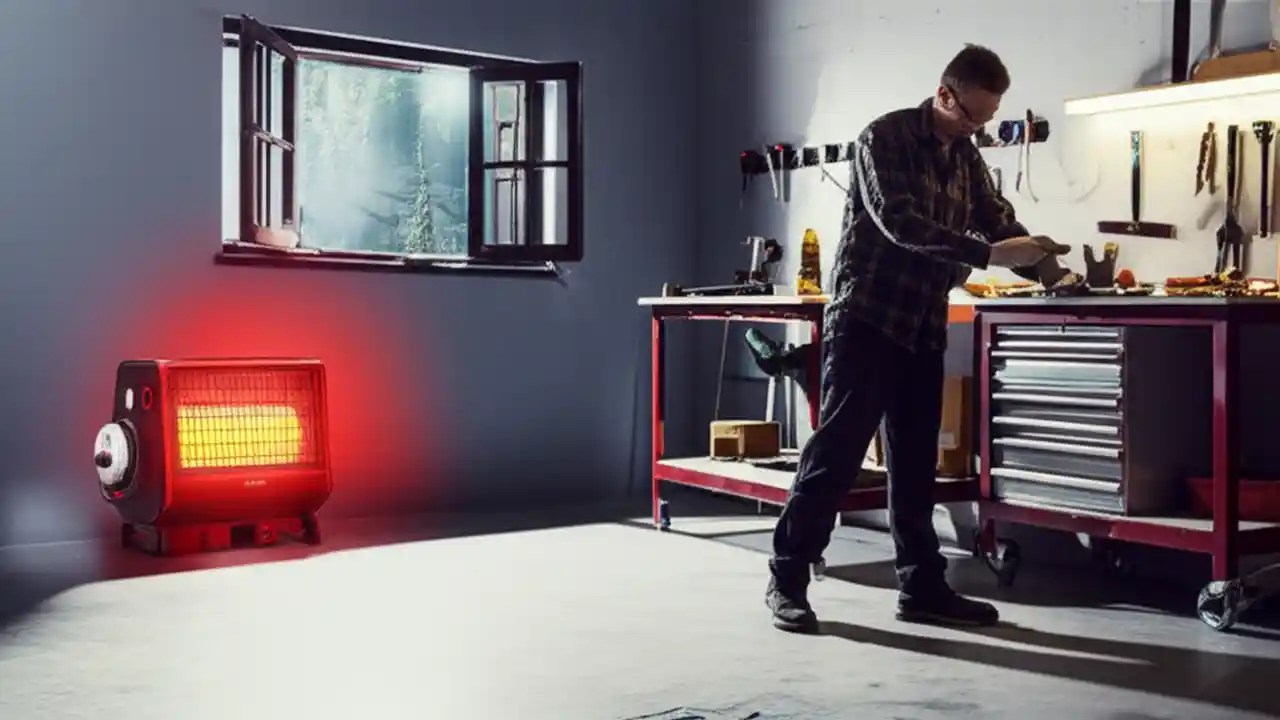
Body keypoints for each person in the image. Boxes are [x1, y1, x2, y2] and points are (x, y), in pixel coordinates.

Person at [765, 44, 1065, 634]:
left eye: (987, 119)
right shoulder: (883, 139)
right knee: (836, 456)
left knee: (915, 465)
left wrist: (1048, 268)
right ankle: (788, 578)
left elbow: (996, 218)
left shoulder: (965, 155)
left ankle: (922, 588)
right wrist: (990, 254)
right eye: (972, 116)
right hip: (868, 320)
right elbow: (900, 225)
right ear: (945, 94)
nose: (976, 129)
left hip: (924, 323)